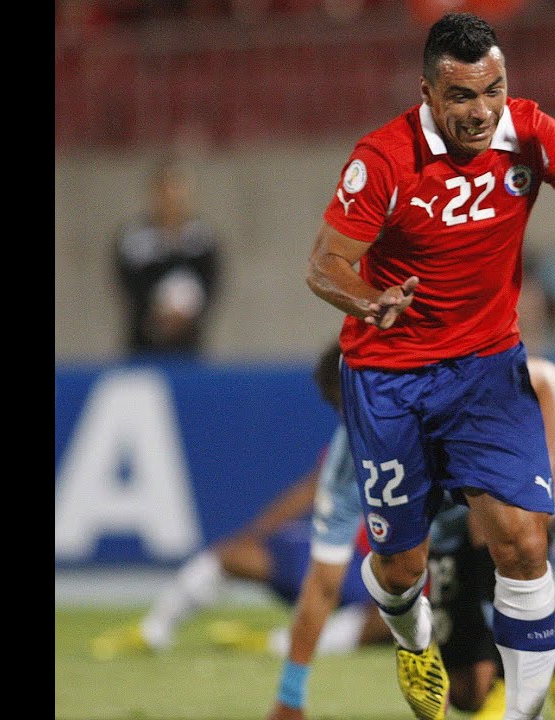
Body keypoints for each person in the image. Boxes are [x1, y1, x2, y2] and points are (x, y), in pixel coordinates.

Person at [304, 11, 555, 720]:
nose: (482, 110)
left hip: (487, 367)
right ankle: (412, 636)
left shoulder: (528, 132)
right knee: (400, 568)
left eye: (493, 89)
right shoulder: (383, 160)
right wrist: (370, 300)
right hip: (389, 378)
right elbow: (324, 265)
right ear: (427, 92)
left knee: (523, 541)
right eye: (462, 96)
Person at [262, 348, 555, 720]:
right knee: (466, 692)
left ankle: (519, 698)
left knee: (492, 546)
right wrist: (291, 692)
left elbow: (544, 377)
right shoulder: (347, 469)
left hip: (524, 497)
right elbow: (323, 583)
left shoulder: (437, 388)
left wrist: (543, 464)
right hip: (455, 535)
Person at [88, 345, 381, 662]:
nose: (343, 414)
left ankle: (275, 644)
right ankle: (153, 630)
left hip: (391, 564)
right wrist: (258, 532)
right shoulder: (351, 439)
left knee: (400, 611)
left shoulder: (411, 431)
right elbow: (312, 489)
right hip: (347, 557)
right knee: (234, 555)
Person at [112, 154, 224, 356]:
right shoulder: (133, 239)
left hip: (190, 346)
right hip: (143, 345)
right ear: (154, 192)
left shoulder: (202, 238)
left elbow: (212, 283)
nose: (171, 196)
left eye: (177, 188)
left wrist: (185, 313)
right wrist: (155, 312)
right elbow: (127, 285)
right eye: (165, 188)